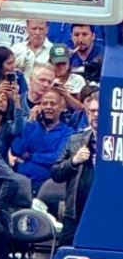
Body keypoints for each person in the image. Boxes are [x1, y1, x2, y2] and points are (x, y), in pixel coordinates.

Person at [51, 93, 99, 248]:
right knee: (66, 255)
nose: (96, 115)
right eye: (92, 111)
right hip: (74, 214)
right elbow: (56, 173)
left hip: (104, 213)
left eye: (100, 111)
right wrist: (74, 161)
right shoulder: (75, 140)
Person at [9, 90, 73, 193]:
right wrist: (29, 122)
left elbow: (57, 157)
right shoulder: (32, 125)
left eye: (53, 103)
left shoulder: (68, 132)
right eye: (44, 103)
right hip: (19, 182)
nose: (48, 107)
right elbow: (16, 150)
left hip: (45, 187)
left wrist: (31, 155)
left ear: (62, 108)